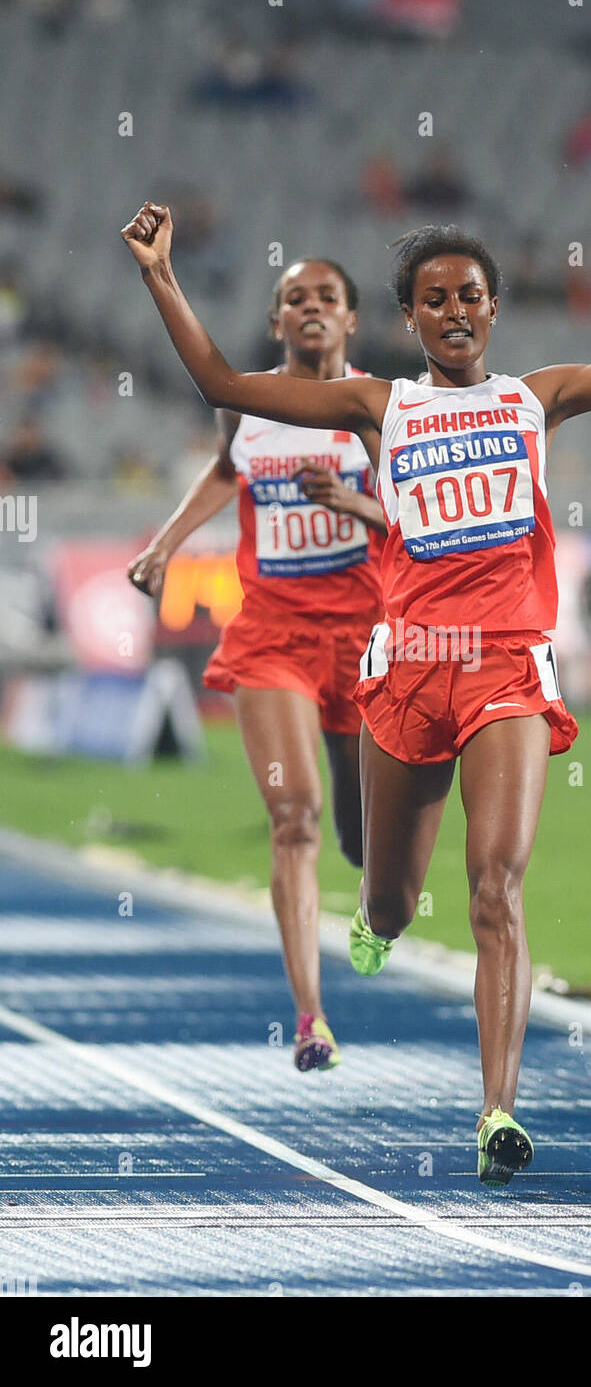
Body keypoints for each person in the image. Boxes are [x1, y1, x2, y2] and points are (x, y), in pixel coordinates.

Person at [121, 177, 591, 1185]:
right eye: (436, 298)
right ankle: (373, 917)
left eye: (472, 296)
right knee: (398, 902)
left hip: (505, 670)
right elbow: (227, 388)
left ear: (494, 310)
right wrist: (160, 276)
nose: (456, 312)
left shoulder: (535, 398)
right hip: (406, 673)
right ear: (409, 317)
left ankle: (497, 1109)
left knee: (496, 886)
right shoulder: (380, 405)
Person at [126, 257, 386, 1074]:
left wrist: (354, 505)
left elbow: (417, 519)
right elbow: (226, 467)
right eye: (295, 299)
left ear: (351, 321)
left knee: (355, 837)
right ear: (278, 323)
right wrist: (165, 543)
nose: (311, 309)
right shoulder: (251, 406)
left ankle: (373, 891)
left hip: (366, 637)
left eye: (327, 299)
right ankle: (311, 1018)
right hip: (273, 634)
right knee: (294, 814)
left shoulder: (382, 408)